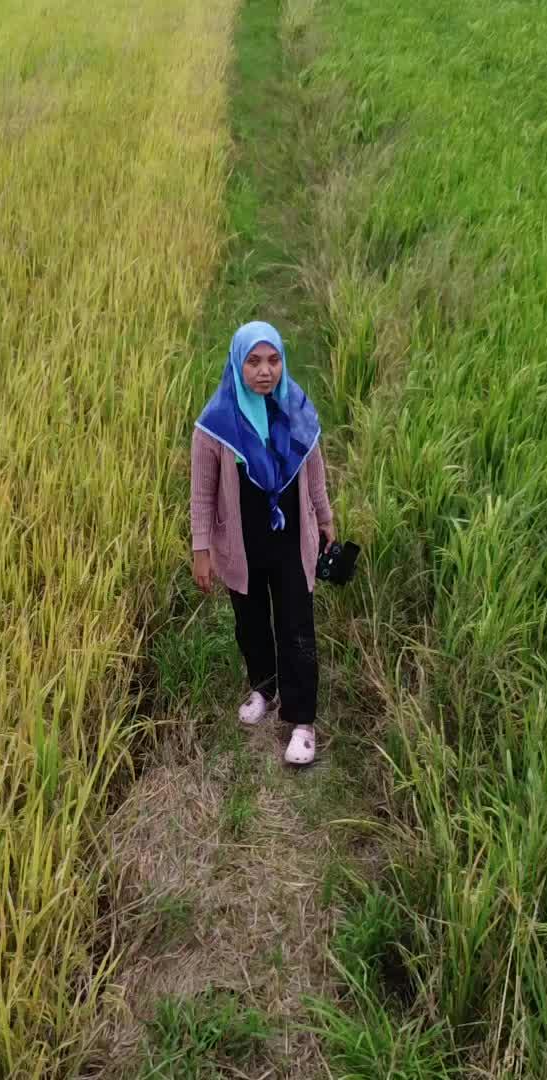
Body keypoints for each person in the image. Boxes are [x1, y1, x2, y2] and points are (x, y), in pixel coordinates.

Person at [189, 321, 334, 765]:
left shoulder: (297, 410)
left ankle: (302, 719)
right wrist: (201, 549)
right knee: (249, 622)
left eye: (273, 361)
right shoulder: (215, 424)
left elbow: (313, 472)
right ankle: (264, 687)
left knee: (296, 625)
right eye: (253, 361)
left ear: (282, 363)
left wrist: (325, 518)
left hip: (292, 540)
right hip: (241, 543)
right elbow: (202, 491)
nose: (264, 371)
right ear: (237, 364)